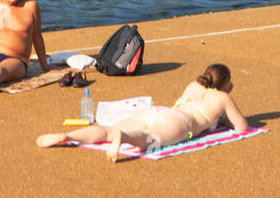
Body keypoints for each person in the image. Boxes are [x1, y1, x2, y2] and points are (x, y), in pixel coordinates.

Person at [36, 63, 251, 163]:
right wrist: (223, 118)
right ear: (225, 83)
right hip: (181, 123)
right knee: (148, 139)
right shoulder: (223, 98)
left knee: (109, 130)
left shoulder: (195, 85)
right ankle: (125, 139)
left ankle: (69, 137)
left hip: (159, 111)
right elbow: (242, 127)